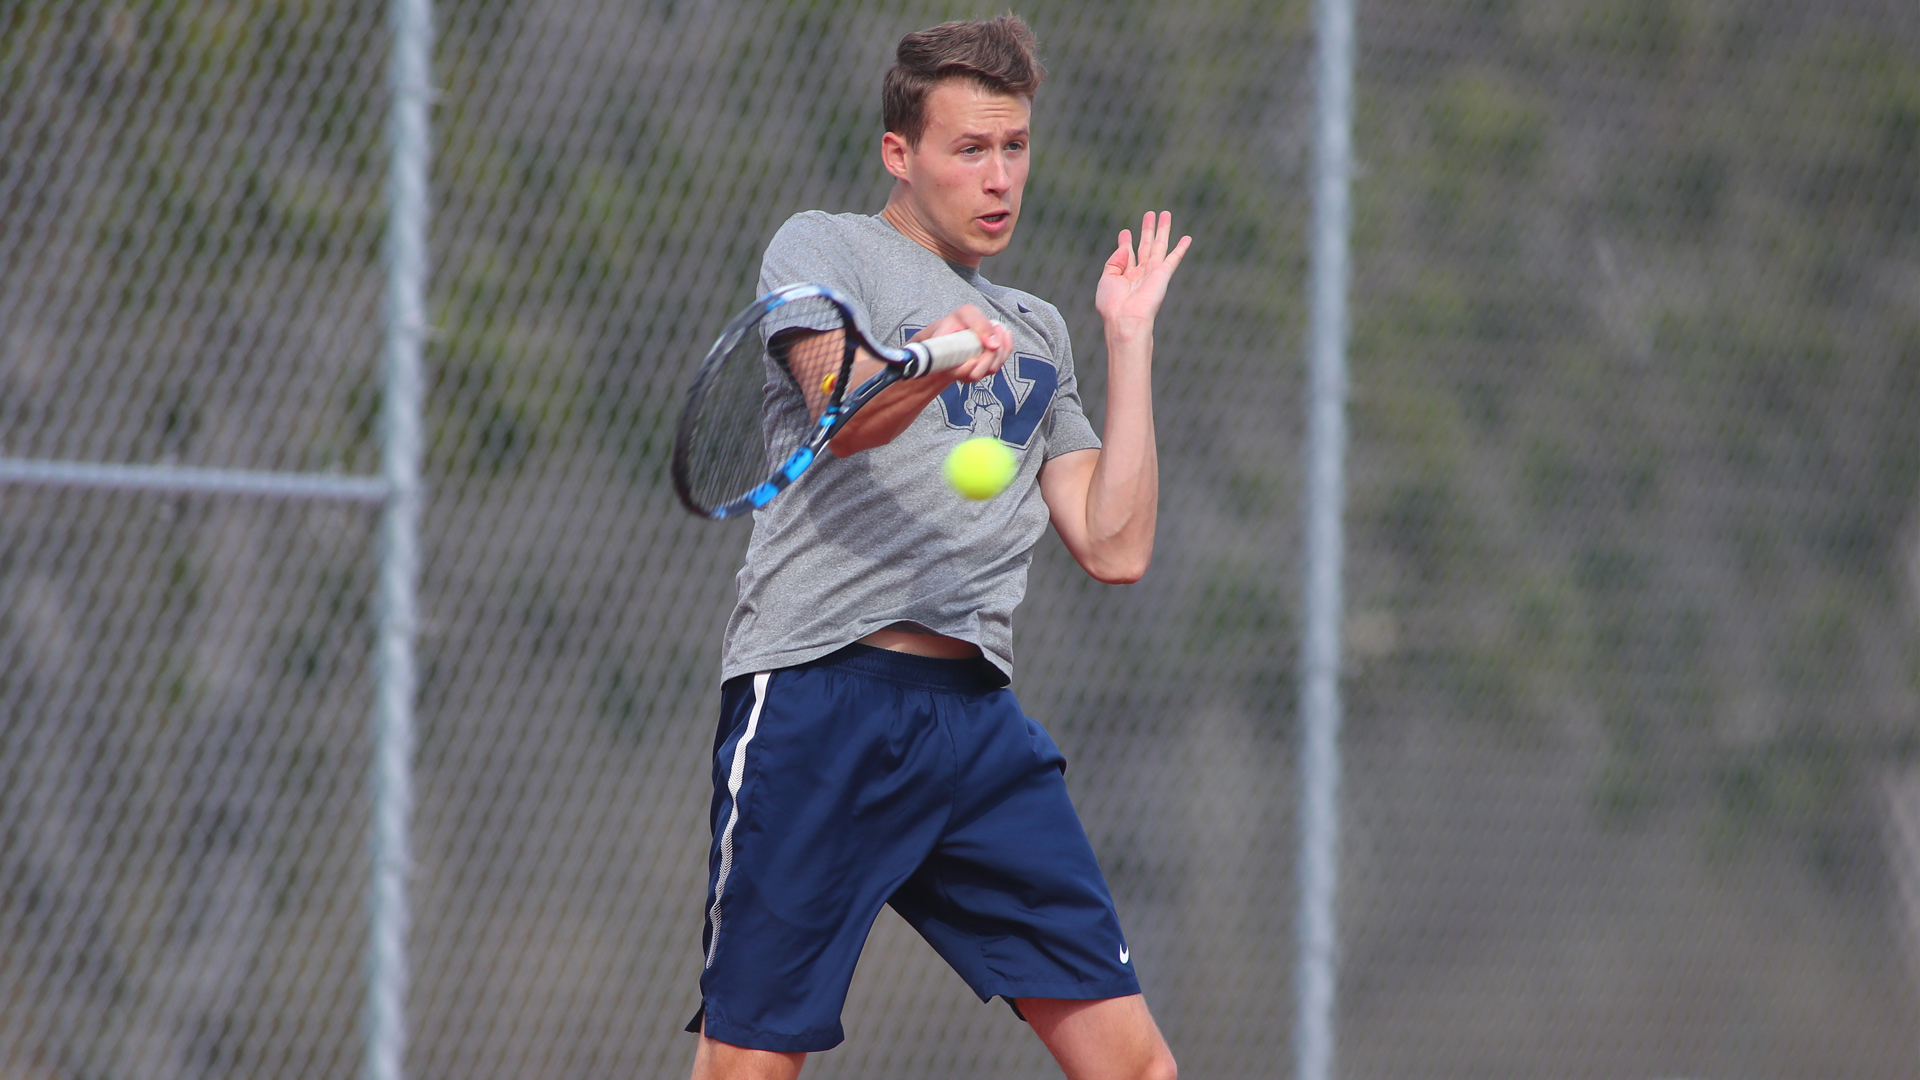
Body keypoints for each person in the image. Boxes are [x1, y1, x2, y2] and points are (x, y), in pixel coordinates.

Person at [687, 15, 1189, 1080]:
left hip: (977, 731)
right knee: (750, 1068)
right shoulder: (822, 248)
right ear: (899, 153)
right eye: (970, 149)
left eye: (1013, 149)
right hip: (823, 699)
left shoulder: (1036, 330)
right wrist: (935, 361)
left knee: (1135, 1065)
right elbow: (843, 410)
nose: (999, 177)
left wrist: (1127, 339)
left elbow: (1114, 543)